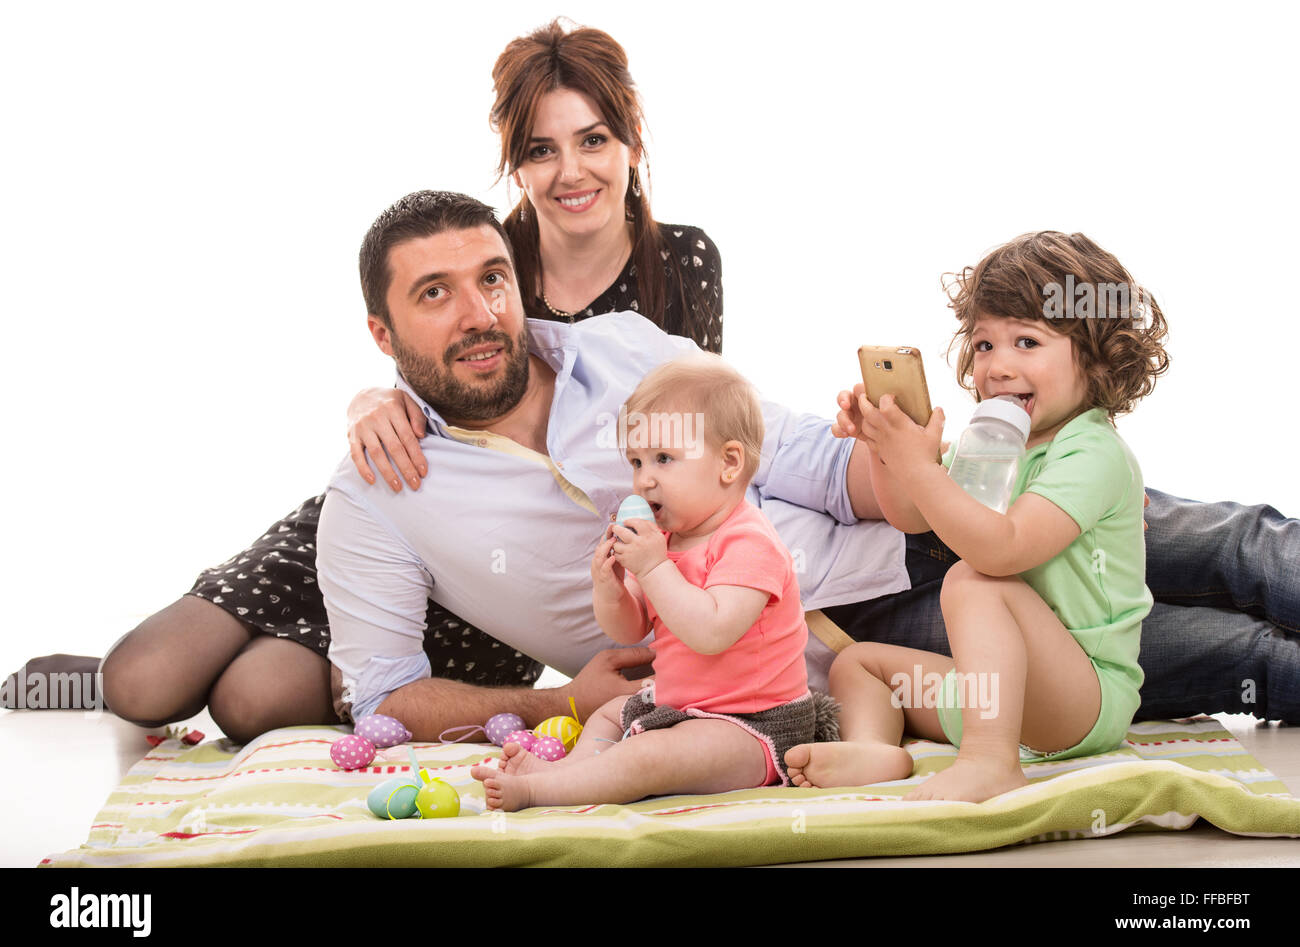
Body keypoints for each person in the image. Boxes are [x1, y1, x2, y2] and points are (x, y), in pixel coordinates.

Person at [320, 189, 1299, 751]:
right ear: (381, 329)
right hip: (854, 644)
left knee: (1243, 547)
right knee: (1229, 659)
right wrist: (562, 702)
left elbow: (812, 467)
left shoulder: (614, 347)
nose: (477, 310)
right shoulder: (373, 499)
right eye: (434, 293)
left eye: (490, 278)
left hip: (927, 517)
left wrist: (894, 454)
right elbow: (387, 697)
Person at [8, 20, 723, 743]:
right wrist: (371, 399)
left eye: (593, 139)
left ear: (631, 139)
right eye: (542, 150)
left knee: (255, 698)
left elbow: (694, 441)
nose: (571, 172)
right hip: (402, 485)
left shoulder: (682, 261)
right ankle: (97, 675)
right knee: (146, 675)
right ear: (517, 166)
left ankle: (338, 678)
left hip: (501, 567)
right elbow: (427, 357)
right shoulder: (493, 254)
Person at [787, 232, 1164, 802]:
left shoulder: (1093, 452)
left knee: (975, 580)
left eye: (1026, 341)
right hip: (993, 695)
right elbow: (912, 516)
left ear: (1095, 355)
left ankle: (990, 761)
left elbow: (1002, 548)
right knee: (860, 664)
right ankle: (873, 749)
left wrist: (920, 465)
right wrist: (888, 450)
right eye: (985, 345)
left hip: (1080, 700)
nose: (999, 366)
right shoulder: (994, 442)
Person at [472, 353, 817, 811]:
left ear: (729, 463)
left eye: (663, 459)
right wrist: (609, 586)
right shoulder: (667, 541)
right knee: (610, 715)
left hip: (753, 725)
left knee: (650, 755)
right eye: (636, 461)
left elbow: (710, 633)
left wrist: (654, 569)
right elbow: (629, 628)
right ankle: (570, 772)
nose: (644, 479)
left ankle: (542, 791)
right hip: (679, 708)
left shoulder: (750, 543)